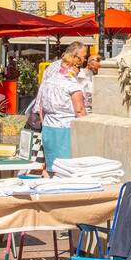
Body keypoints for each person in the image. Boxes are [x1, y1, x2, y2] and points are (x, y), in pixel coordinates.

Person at [35, 41, 88, 171]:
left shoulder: (49, 80)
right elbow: (79, 110)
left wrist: (44, 124)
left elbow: (41, 105)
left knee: (51, 166)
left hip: (49, 126)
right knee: (65, 168)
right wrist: (86, 132)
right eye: (83, 57)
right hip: (66, 129)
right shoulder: (71, 84)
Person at [77, 49, 101, 113]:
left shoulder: (92, 74)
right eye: (98, 60)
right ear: (89, 62)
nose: (100, 63)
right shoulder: (80, 73)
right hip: (82, 107)